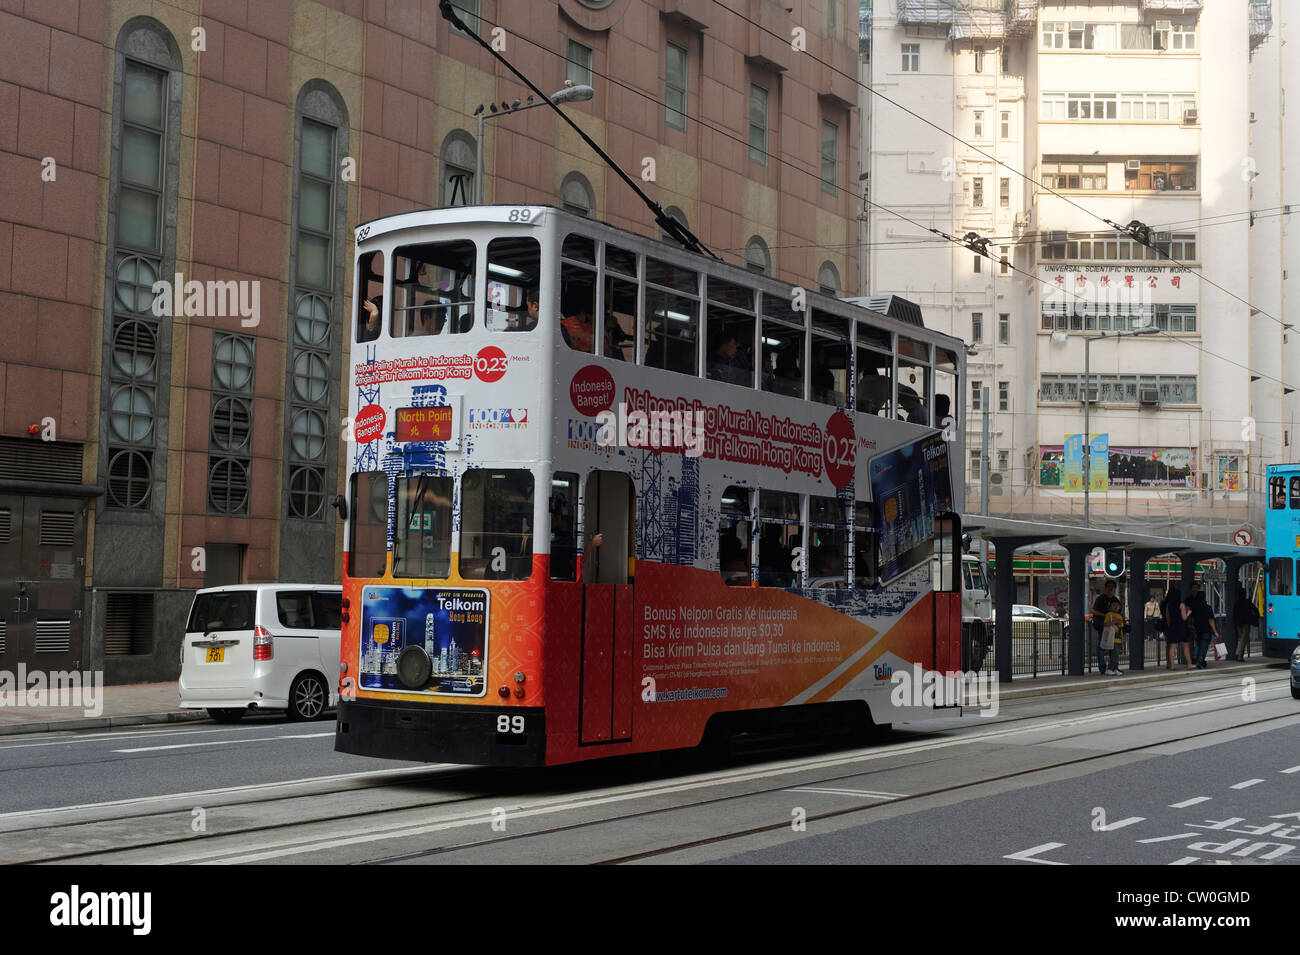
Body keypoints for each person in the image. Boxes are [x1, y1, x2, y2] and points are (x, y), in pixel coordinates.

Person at [1187, 582, 1217, 669]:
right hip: (1206, 629)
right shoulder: (1208, 607)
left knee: (1198, 645)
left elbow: (1189, 616)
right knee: (1204, 646)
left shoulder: (1194, 607)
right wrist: (1215, 631)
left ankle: (1199, 660)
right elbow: (1211, 620)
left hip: (1196, 629)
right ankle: (1200, 661)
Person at [1092, 581, 1116, 675]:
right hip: (1102, 625)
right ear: (1105, 588)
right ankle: (1103, 667)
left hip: (1112, 626)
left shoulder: (1115, 599)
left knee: (1112, 646)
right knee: (1102, 645)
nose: (1110, 589)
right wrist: (1104, 615)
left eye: (1112, 587)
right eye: (1109, 587)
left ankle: (1112, 667)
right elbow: (1093, 610)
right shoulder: (1100, 599)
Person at [1232, 582, 1259, 660]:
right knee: (1244, 638)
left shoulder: (1236, 603)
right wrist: (1255, 618)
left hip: (1238, 623)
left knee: (1242, 638)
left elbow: (1234, 614)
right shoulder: (1247, 602)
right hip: (1246, 622)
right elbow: (1255, 610)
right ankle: (1238, 653)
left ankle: (1240, 656)